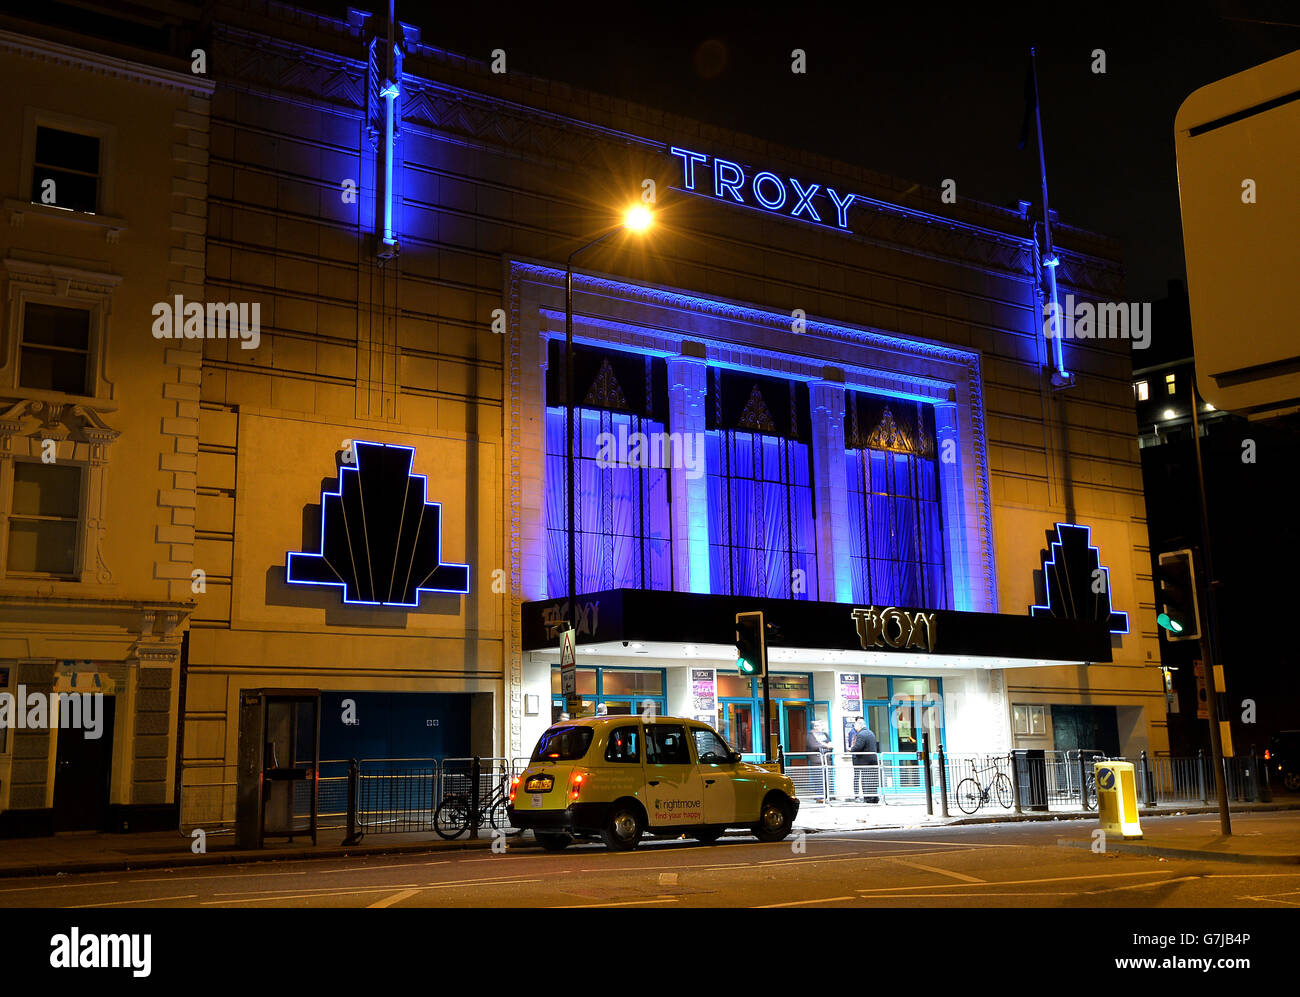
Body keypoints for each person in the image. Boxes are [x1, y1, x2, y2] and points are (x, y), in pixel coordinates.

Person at [849, 717, 880, 803]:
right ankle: (874, 797)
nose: (854, 728)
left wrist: (851, 749)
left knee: (866, 780)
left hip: (865, 761)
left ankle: (868, 798)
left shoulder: (861, 734)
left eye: (855, 726)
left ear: (859, 726)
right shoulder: (871, 733)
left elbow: (858, 747)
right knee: (872, 780)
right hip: (873, 760)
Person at [808, 721, 833, 801]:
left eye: (820, 725)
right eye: (816, 726)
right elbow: (813, 745)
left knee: (826, 779)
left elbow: (830, 744)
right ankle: (820, 797)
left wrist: (828, 745)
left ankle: (827, 796)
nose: (818, 727)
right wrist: (825, 745)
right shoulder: (810, 736)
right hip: (817, 762)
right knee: (819, 779)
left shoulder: (825, 734)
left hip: (826, 760)